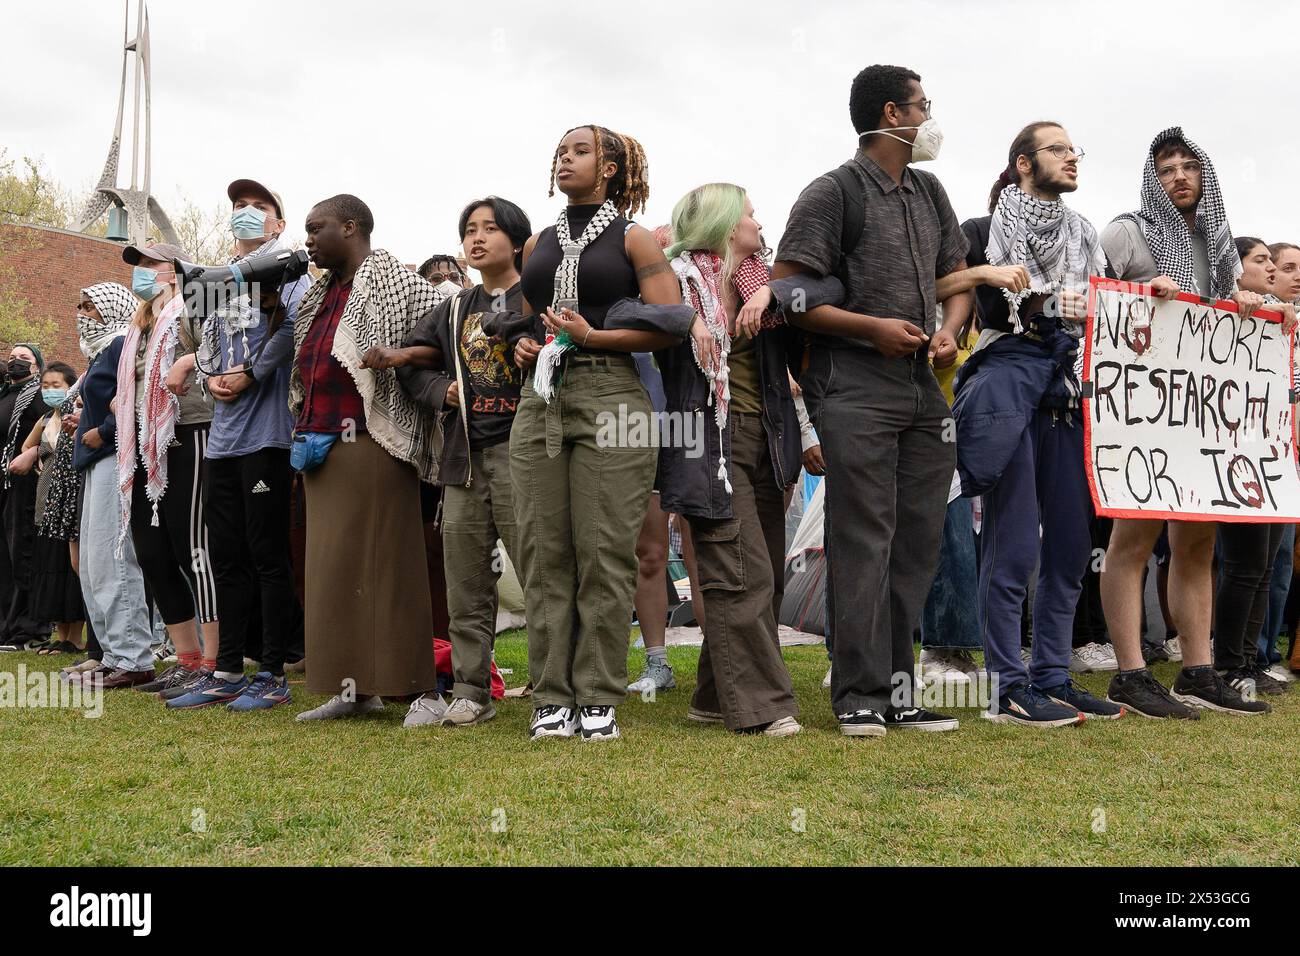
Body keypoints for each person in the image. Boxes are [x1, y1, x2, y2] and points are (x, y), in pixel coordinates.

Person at [773, 64, 973, 736]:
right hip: (852, 384)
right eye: (924, 104)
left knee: (918, 543)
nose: (930, 115)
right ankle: (858, 694)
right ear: (893, 114)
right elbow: (789, 294)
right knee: (863, 538)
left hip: (921, 386)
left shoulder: (931, 191)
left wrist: (949, 331)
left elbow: (957, 280)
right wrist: (872, 328)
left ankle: (898, 692)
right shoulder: (832, 192)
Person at [510, 123, 688, 742]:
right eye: (560, 150)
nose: (565, 158)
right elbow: (524, 316)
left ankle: (598, 696)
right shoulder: (536, 241)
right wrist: (529, 341)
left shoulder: (634, 239)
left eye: (580, 150)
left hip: (614, 393)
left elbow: (671, 325)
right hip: (542, 399)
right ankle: (552, 696)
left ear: (610, 167)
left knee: (604, 551)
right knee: (542, 551)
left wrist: (595, 337)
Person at [948, 122, 1122, 725]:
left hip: (1070, 387)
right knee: (1014, 542)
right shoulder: (980, 231)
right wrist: (978, 293)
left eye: (1076, 148)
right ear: (1023, 163)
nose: (1072, 157)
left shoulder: (1085, 234)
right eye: (1057, 149)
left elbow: (1109, 305)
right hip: (1009, 380)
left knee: (1072, 545)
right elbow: (963, 294)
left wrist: (1143, 293)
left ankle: (1052, 674)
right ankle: (1004, 686)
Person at [657, 182, 843, 735]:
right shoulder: (678, 280)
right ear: (725, 224)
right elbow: (626, 308)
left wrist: (772, 296)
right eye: (752, 215)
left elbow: (832, 284)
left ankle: (714, 696)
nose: (761, 225)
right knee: (742, 572)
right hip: (708, 438)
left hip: (766, 437)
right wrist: (683, 320)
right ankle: (763, 706)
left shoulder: (761, 279)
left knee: (766, 578)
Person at [1099, 128, 1273, 717]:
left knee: (1197, 541)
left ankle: (1197, 669)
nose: (1178, 175)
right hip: (1144, 406)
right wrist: (1140, 290)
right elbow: (1093, 302)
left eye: (1188, 166)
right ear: (1153, 176)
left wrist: (1243, 303)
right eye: (1166, 167)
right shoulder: (1126, 230)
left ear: (1205, 177)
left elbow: (1222, 315)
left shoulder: (1219, 242)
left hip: (1199, 412)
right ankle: (1130, 672)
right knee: (1133, 539)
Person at [369, 195, 534, 727]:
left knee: (541, 575)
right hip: (463, 459)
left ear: (516, 238)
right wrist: (443, 391)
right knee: (466, 580)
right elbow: (411, 362)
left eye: (490, 228)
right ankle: (470, 690)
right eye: (469, 230)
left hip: (527, 454)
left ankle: (555, 687)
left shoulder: (540, 298)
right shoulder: (455, 309)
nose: (477, 238)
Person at [289, 194, 440, 723]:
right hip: (320, 443)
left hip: (376, 438)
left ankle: (421, 689)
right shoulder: (321, 294)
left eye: (316, 228)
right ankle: (355, 688)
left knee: (389, 564)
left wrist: (399, 356)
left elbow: (447, 338)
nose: (308, 239)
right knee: (334, 570)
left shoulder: (399, 282)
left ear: (350, 227)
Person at [167, 178, 310, 709]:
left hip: (268, 435)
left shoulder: (291, 271)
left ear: (279, 222)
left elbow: (293, 329)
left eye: (259, 207)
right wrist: (209, 379)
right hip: (222, 439)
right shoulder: (214, 278)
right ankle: (227, 670)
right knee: (225, 554)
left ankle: (272, 671)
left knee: (268, 553)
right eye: (238, 207)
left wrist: (251, 371)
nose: (246, 214)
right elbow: (204, 340)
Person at [112, 241, 220, 691]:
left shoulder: (195, 305)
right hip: (143, 444)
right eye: (136, 264)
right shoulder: (138, 324)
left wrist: (188, 360)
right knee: (151, 551)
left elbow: (223, 352)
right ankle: (187, 657)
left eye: (150, 264)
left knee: (192, 548)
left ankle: (215, 661)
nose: (141, 271)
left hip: (189, 431)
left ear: (175, 271)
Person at [1209, 237, 1295, 698]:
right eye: (1259, 260)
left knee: (1263, 566)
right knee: (1243, 564)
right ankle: (1226, 664)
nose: (1270, 268)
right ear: (1235, 269)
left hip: (1278, 454)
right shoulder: (1224, 310)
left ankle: (1249, 659)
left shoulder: (1279, 319)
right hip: (1238, 454)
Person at [70, 282, 156, 687]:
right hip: (93, 460)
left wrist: (103, 432)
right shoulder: (103, 348)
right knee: (91, 563)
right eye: (82, 305)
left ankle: (133, 657)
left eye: (91, 305)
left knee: (112, 558)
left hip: (112, 456)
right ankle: (111, 653)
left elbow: (132, 397)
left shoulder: (123, 342)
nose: (84, 312)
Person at [11, 362, 86, 655]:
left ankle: (76, 636)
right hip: (46, 499)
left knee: (69, 567)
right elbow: (26, 447)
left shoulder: (78, 415)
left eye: (57, 385)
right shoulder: (44, 420)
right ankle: (62, 634)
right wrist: (37, 452)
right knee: (49, 565)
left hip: (70, 497)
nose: (50, 390)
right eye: (46, 385)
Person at [1260, 242, 1300, 680]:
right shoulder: (1263, 316)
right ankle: (1252, 653)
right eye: (1286, 267)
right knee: (1267, 559)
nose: (1295, 275)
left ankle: (1270, 651)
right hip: (1268, 454)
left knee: (1284, 560)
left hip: (1293, 457)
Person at [0, 343, 49, 651]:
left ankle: (29, 628)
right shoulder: (5, 394)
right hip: (4, 480)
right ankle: (6, 626)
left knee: (23, 552)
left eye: (24, 358)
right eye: (12, 357)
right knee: (3, 557)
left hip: (26, 482)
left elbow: (51, 429)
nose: (15, 361)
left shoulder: (39, 394)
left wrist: (31, 453)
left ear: (36, 367)